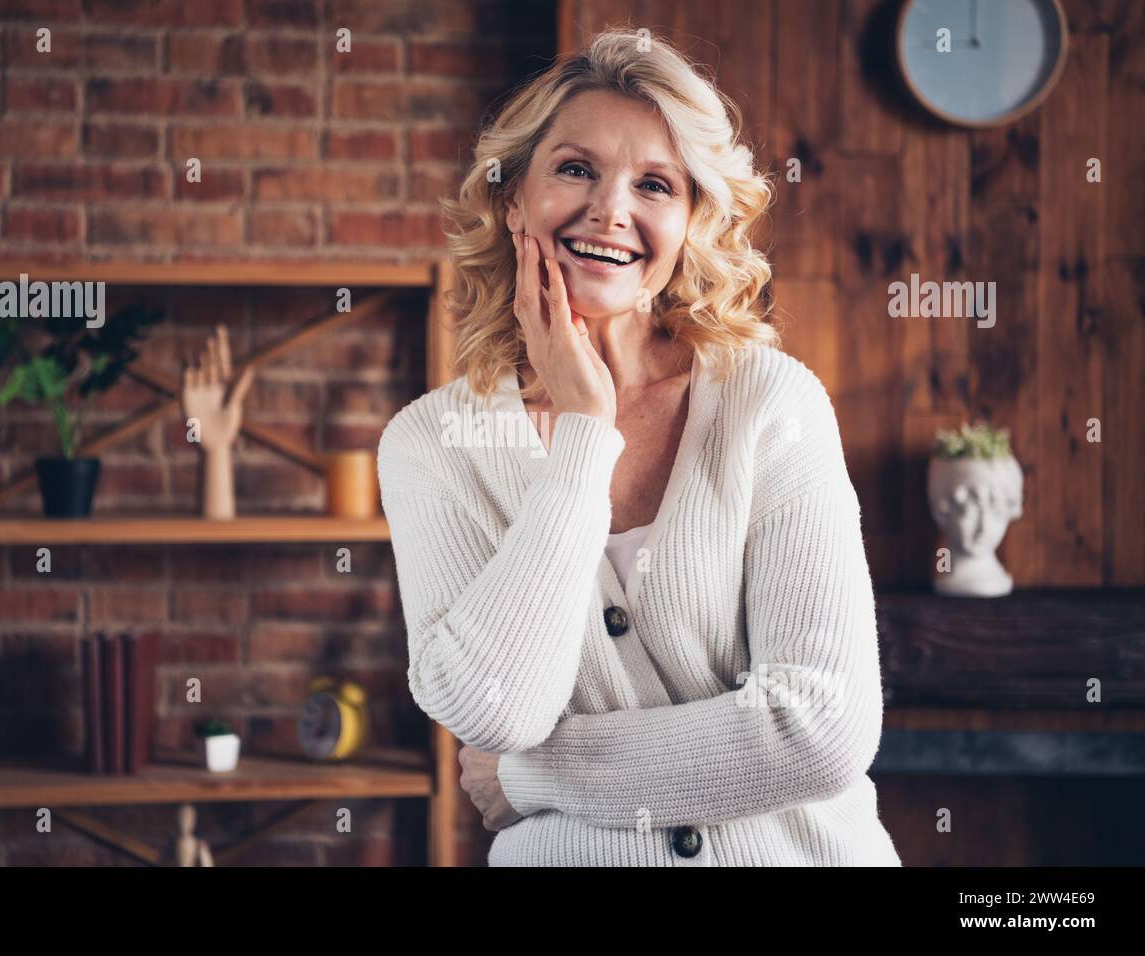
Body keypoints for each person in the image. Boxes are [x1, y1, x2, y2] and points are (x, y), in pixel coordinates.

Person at [377, 28, 902, 866]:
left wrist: (534, 777)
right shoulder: (433, 444)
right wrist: (585, 431)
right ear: (513, 197)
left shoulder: (771, 402)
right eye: (576, 168)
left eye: (654, 184)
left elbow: (820, 729)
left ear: (691, 221)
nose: (610, 209)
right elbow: (492, 709)